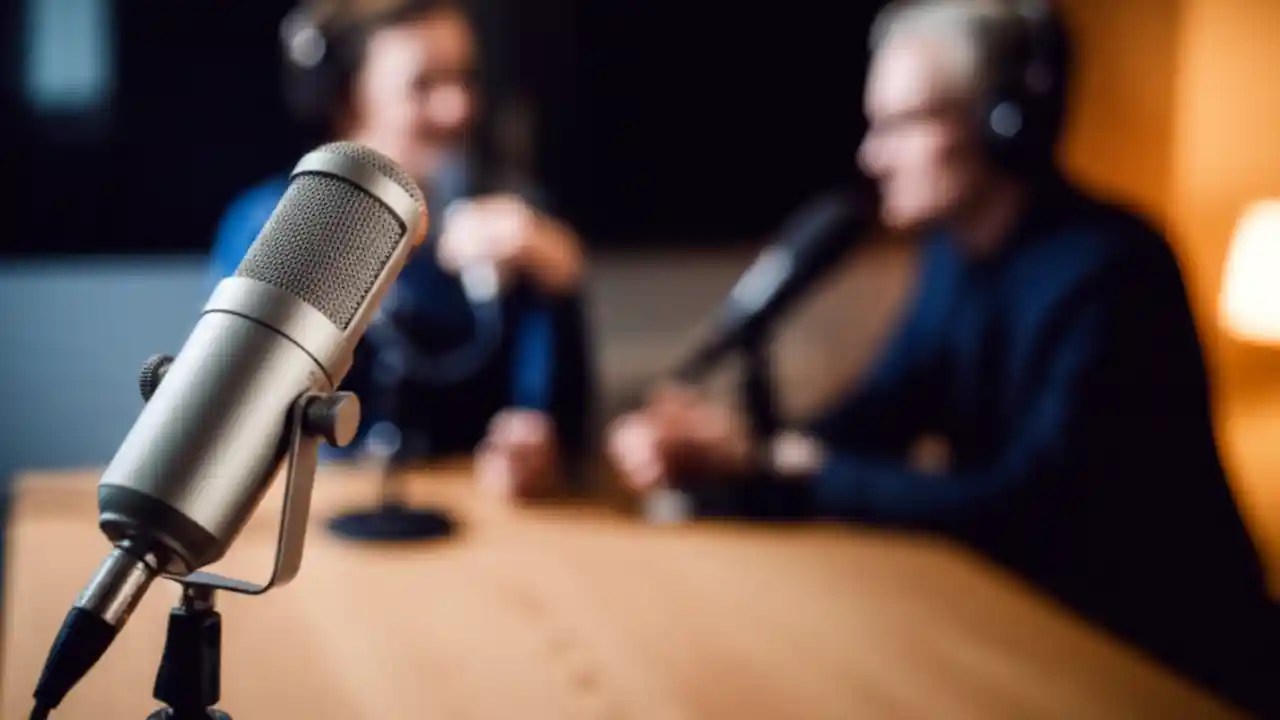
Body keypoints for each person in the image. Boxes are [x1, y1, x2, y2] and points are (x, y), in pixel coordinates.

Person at [606, 0, 1278, 712]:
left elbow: (1024, 507)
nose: (872, 154)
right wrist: (740, 449)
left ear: (1003, 122)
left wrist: (788, 468)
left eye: (903, 124)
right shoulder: (954, 259)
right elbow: (881, 411)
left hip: (1173, 669)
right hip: (1038, 641)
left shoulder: (1113, 272)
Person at [211, 0, 592, 499]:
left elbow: (563, 428)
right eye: (424, 85)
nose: (458, 107)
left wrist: (561, 279)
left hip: (484, 522)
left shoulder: (521, 224)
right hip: (318, 512)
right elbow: (242, 416)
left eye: (465, 79)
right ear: (348, 98)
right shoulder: (272, 226)